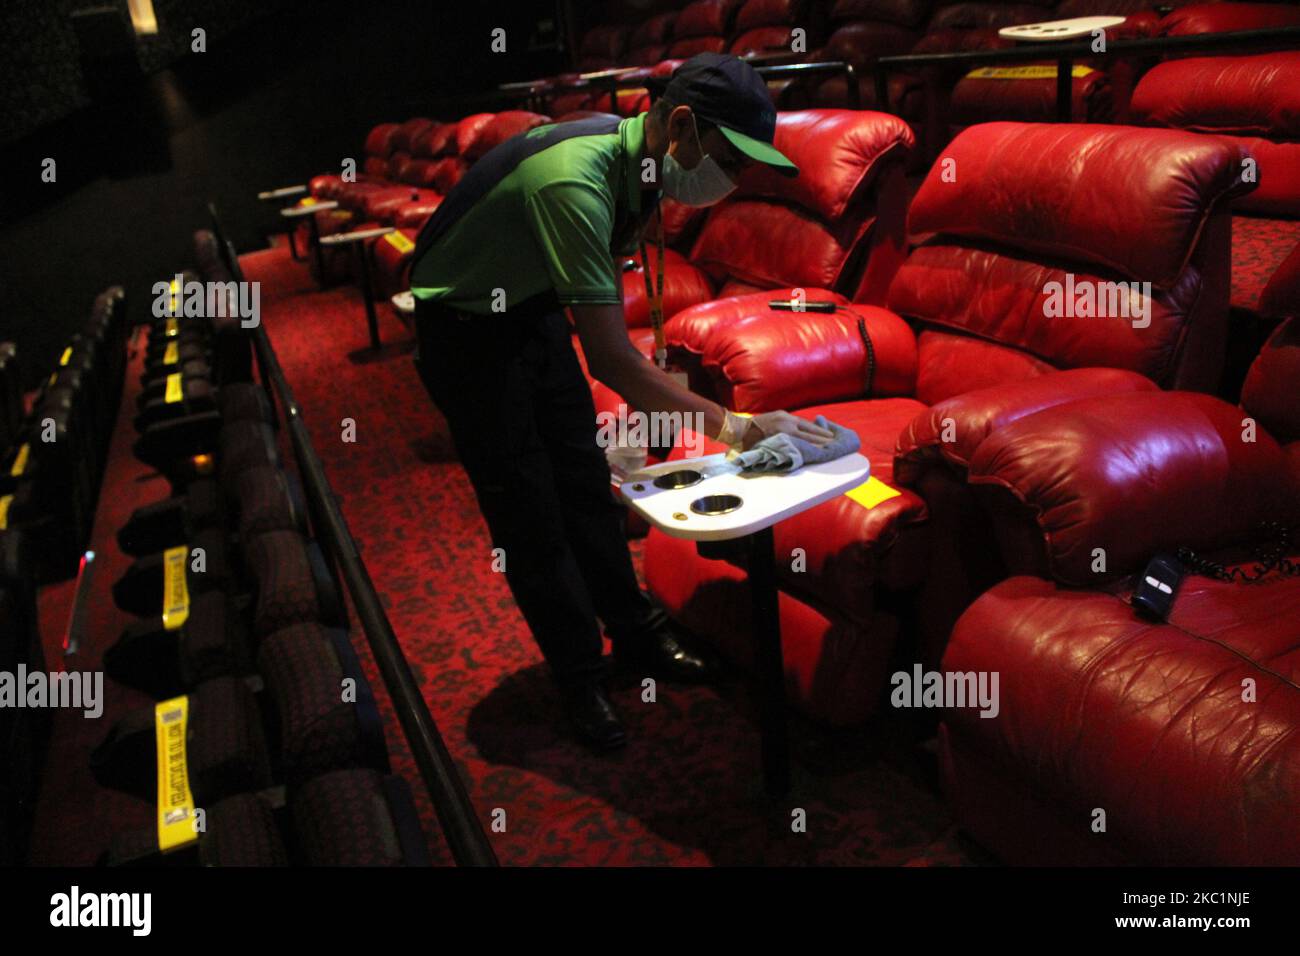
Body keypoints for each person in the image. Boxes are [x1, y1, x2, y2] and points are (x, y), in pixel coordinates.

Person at [409, 53, 834, 751]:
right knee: (530, 509)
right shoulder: (577, 179)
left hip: (529, 307)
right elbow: (611, 356)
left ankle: (637, 635)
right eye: (729, 158)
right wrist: (737, 428)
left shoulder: (639, 164)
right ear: (683, 127)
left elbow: (607, 318)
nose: (733, 180)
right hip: (465, 330)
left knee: (583, 480)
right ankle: (579, 673)